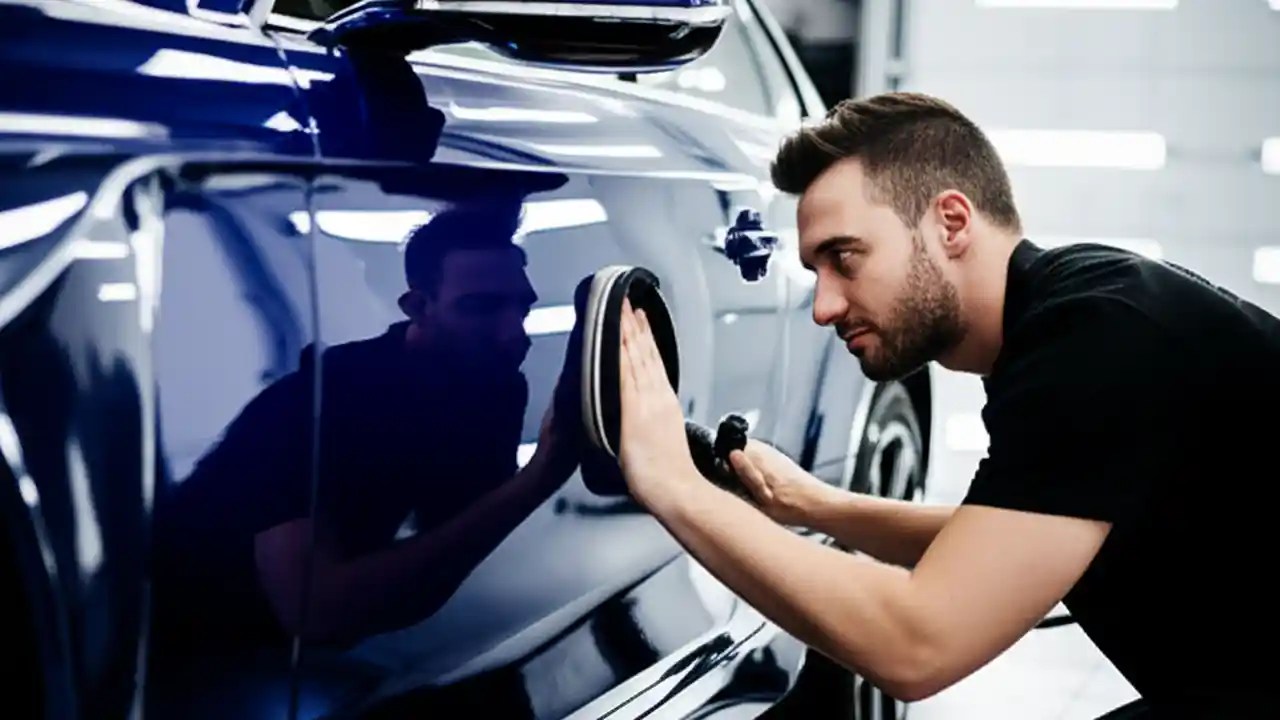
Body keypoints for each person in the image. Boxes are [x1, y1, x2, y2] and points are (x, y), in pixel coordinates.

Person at [612, 91, 1278, 718]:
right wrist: (809, 505)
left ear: (951, 222)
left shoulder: (1095, 338)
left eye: (845, 257)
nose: (823, 307)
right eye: (815, 273)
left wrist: (671, 482)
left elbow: (917, 644)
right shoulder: (1075, 311)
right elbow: (1011, 541)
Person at [149, 203, 582, 684]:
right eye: (480, 307)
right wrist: (537, 479)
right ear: (417, 307)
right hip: (179, 660)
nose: (513, 335)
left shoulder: (491, 383)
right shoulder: (317, 403)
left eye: (521, 307)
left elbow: (458, 553)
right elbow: (315, 612)